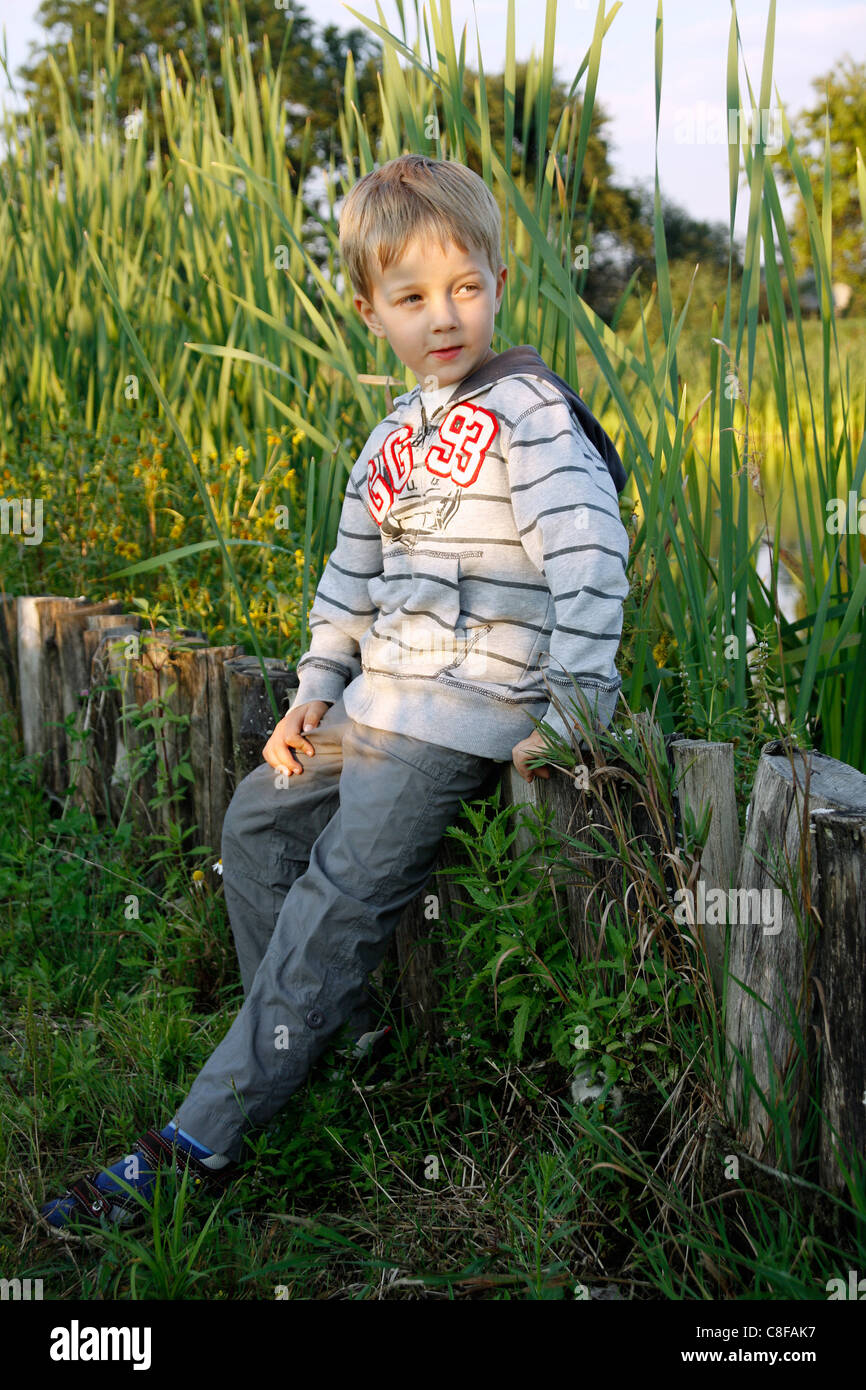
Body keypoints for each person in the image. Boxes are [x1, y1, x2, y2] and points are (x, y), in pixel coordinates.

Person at [41, 153, 630, 1230]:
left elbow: (589, 557)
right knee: (258, 825)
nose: (443, 316)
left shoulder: (529, 414)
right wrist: (316, 687)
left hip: (458, 706)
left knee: (332, 903)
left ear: (497, 278)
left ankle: (197, 1140)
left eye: (463, 286)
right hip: (375, 701)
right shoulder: (391, 438)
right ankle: (333, 1036)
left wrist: (577, 706)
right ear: (370, 311)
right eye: (410, 297)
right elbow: (349, 576)